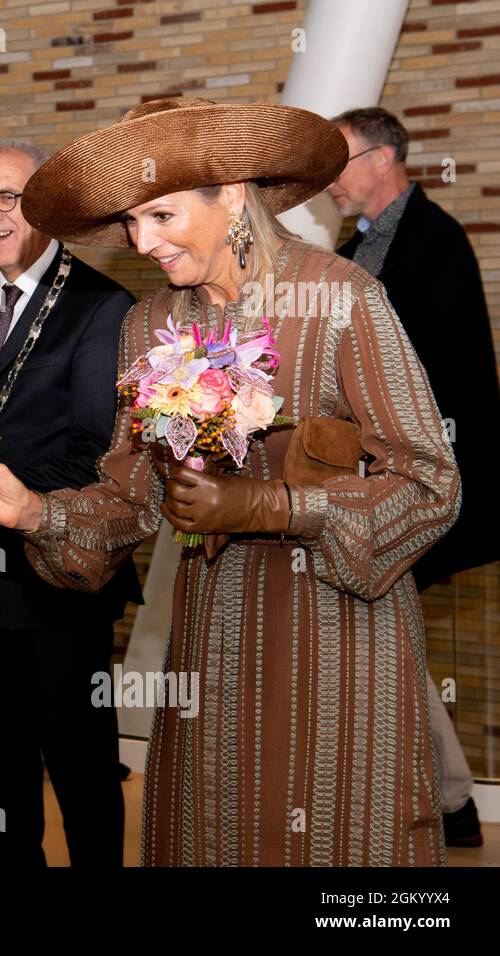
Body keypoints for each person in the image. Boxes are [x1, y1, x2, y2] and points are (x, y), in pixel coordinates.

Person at [0, 97, 459, 865]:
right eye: (130, 223)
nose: (143, 243)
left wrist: (279, 504)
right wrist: (35, 512)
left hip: (338, 629)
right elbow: (126, 499)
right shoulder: (151, 326)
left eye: (161, 216)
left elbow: (431, 484)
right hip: (215, 633)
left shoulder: (339, 299)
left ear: (234, 196)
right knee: (218, 825)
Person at [0, 139, 138, 866]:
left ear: (44, 205)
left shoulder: (103, 307)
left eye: (9, 197)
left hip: (58, 584)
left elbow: (97, 449)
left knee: (82, 772)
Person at [328, 106, 494, 847]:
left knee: (379, 635)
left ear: (382, 158)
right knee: (382, 636)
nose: (329, 180)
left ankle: (447, 802)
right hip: (364, 478)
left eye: (340, 160)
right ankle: (448, 800)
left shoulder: (434, 241)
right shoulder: (355, 243)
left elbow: (448, 380)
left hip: (414, 483)